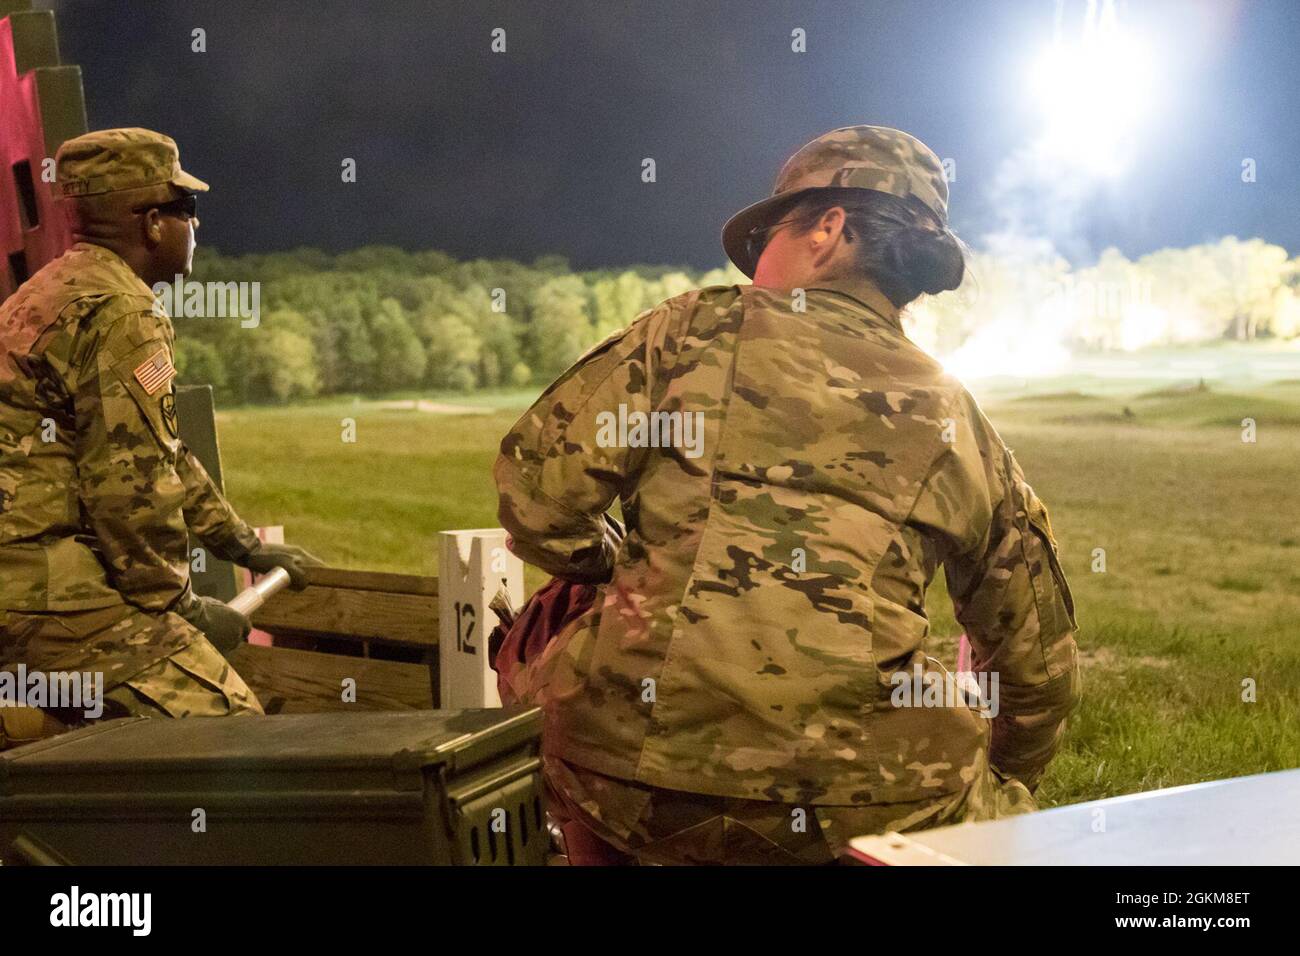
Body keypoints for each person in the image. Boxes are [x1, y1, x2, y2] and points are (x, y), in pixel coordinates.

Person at [493, 125, 1080, 865]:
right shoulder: (959, 418)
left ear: (826, 229)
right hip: (871, 804)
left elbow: (535, 503)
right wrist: (999, 790)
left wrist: (611, 571)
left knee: (558, 612)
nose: (754, 267)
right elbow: (1037, 669)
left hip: (632, 785)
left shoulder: (688, 332)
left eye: (769, 236)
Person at [0, 128, 319, 747]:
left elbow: (158, 450)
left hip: (22, 586)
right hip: (52, 597)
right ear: (151, 223)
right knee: (242, 748)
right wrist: (181, 609)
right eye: (186, 209)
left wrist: (243, 547)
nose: (194, 225)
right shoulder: (123, 312)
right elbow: (130, 491)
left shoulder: (40, 295)